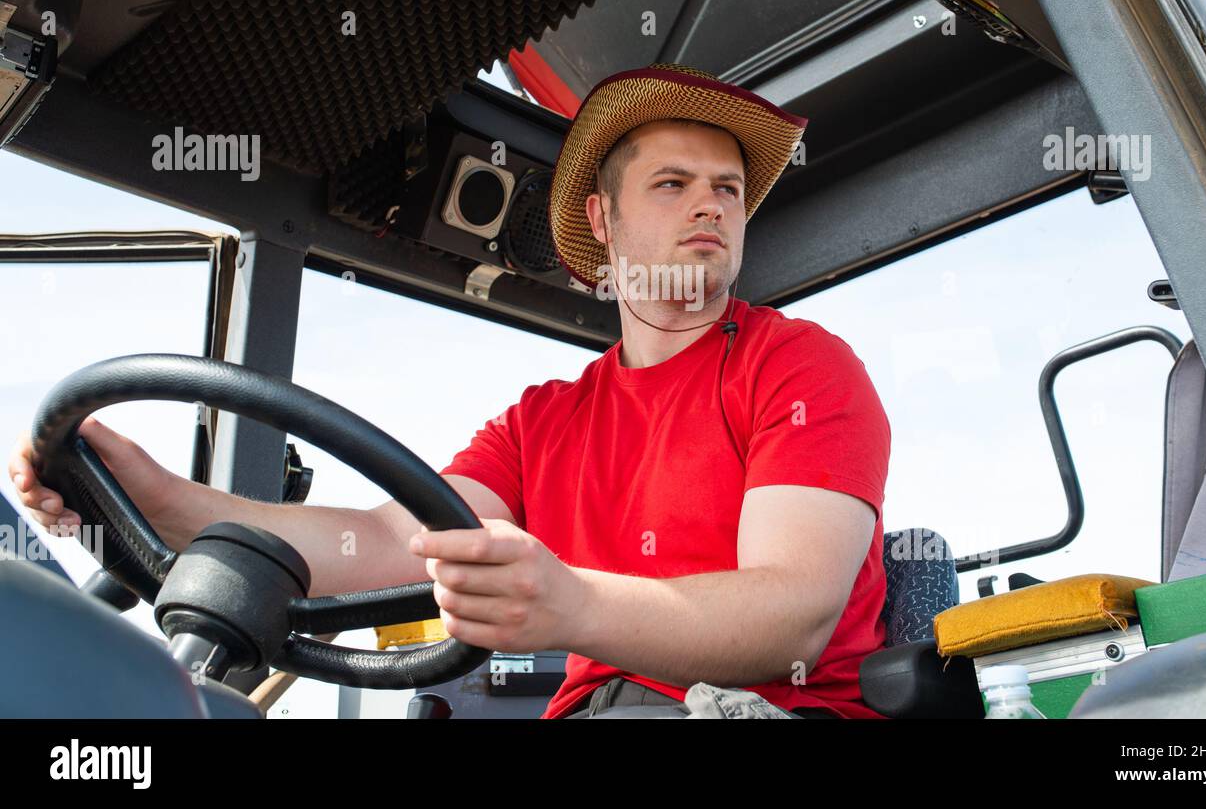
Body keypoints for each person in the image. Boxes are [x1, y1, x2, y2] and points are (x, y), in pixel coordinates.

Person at [9, 62, 891, 719]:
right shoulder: (543, 419)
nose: (712, 206)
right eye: (674, 183)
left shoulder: (798, 366)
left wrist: (572, 603)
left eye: (728, 190)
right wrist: (166, 501)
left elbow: (792, 612)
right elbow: (387, 540)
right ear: (601, 219)